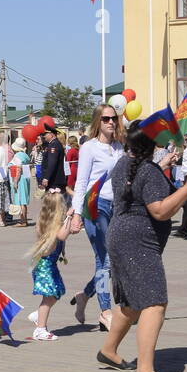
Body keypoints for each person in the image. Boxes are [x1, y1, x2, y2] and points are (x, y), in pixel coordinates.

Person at [96, 122, 187, 372]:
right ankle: (144, 370)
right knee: (154, 302)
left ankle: (108, 351)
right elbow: (159, 211)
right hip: (138, 242)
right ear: (152, 144)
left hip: (120, 235)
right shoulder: (148, 171)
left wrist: (162, 165)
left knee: (131, 302)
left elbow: (136, 185)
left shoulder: (124, 164)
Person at [68, 104, 123, 330]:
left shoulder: (120, 147)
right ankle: (106, 310)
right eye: (106, 119)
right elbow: (81, 183)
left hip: (116, 206)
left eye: (114, 119)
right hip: (95, 206)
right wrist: (77, 213)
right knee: (105, 258)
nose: (111, 122)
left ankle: (85, 295)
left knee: (110, 261)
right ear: (98, 122)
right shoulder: (89, 148)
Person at [25, 190, 70, 341]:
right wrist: (70, 217)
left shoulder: (53, 222)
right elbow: (63, 235)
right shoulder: (47, 224)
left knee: (58, 291)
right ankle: (40, 330)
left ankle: (38, 315)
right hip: (44, 267)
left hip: (49, 265)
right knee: (49, 296)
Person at [9, 137, 32, 227]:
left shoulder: (18, 156)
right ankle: (24, 219)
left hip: (20, 179)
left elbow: (18, 168)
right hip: (25, 178)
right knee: (23, 199)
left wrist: (15, 181)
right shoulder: (25, 155)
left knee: (21, 199)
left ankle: (23, 220)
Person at [36, 121, 65, 193]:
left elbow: (52, 162)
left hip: (54, 179)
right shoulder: (52, 144)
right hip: (52, 179)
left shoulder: (54, 145)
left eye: (46, 134)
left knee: (53, 202)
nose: (44, 136)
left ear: (51, 134)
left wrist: (46, 178)